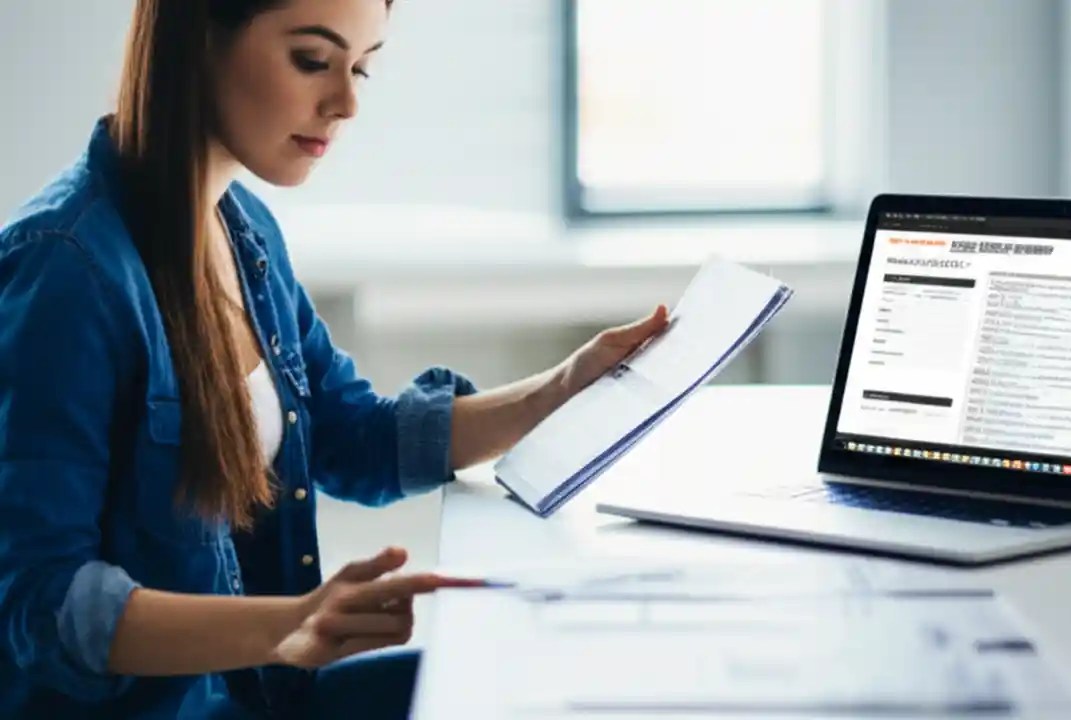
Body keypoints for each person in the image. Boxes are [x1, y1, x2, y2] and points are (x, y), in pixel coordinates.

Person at [0, 1, 668, 718]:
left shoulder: (244, 230)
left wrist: (564, 387)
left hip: (261, 698)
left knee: (526, 678)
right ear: (197, 39)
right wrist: (292, 624)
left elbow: (356, 436)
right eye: (313, 62)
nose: (346, 102)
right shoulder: (63, 269)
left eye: (362, 67)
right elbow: (42, 605)